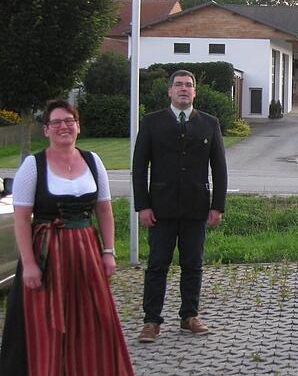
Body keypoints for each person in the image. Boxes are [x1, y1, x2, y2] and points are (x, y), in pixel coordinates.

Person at [0, 100, 133, 375]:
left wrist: (109, 252)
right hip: (47, 254)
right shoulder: (33, 166)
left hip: (86, 251)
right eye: (57, 122)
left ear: (78, 126)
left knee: (94, 318)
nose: (64, 127)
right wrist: (28, 264)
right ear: (46, 130)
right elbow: (23, 219)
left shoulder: (93, 160)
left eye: (69, 121)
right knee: (46, 320)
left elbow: (104, 210)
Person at [133, 69, 228, 342]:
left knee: (193, 264)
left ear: (195, 92)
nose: (184, 89)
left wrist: (217, 206)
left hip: (196, 208)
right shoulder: (152, 122)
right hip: (160, 209)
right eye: (179, 85)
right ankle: (152, 321)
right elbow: (139, 167)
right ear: (170, 91)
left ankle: (189, 315)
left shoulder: (209, 123)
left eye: (189, 85)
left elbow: (219, 169)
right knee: (157, 266)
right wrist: (143, 205)